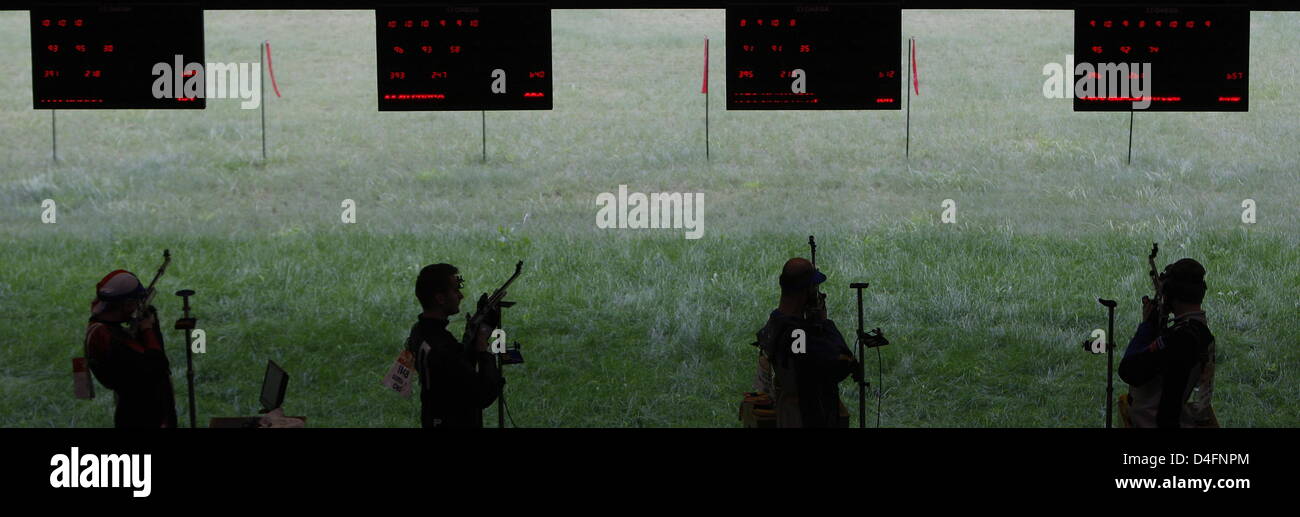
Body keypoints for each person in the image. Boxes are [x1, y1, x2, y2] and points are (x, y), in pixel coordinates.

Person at [753, 258, 857, 428]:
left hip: (790, 412)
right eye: (813, 287)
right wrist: (825, 324)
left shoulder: (776, 320)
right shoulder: (797, 334)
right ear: (805, 290)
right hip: (806, 416)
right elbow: (840, 365)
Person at [1118, 258, 1217, 428]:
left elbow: (1129, 370)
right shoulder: (1201, 333)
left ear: (1171, 294)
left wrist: (1147, 326)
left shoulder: (1179, 340)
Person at [406, 263, 501, 428]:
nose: (461, 296)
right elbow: (484, 393)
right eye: (456, 290)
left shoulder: (420, 331)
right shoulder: (443, 347)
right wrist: (481, 346)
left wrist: (471, 336)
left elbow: (457, 370)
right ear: (440, 298)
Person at [84, 270, 178, 428]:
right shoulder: (107, 337)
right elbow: (157, 367)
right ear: (126, 304)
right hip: (141, 416)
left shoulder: (102, 327)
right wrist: (147, 330)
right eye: (135, 302)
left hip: (134, 411)